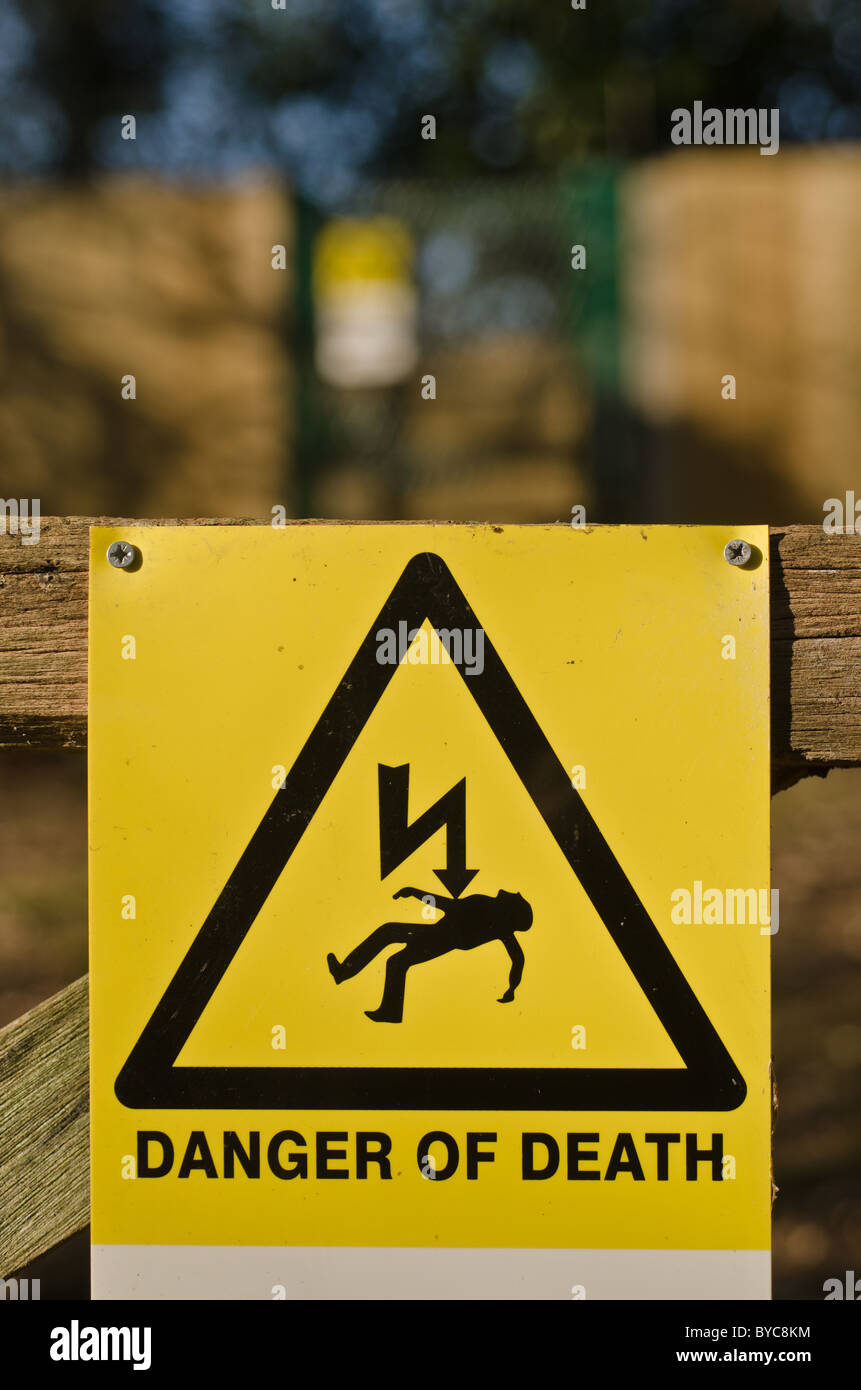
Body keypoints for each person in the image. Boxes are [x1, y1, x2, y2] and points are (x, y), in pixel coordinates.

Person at [327, 886, 533, 1023]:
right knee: (397, 961)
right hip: (442, 940)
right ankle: (390, 1011)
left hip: (438, 936)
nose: (513, 892)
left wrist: (415, 892)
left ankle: (346, 973)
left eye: (516, 898)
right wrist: (512, 988)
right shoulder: (500, 927)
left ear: (511, 910)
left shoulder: (484, 906)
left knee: (389, 934)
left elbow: (446, 905)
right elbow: (518, 958)